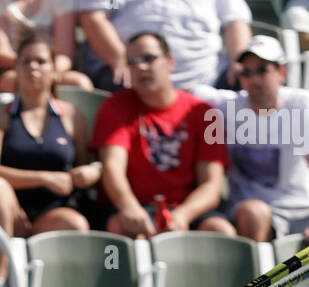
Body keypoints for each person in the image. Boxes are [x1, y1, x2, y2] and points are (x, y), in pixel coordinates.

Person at [0, 35, 101, 287]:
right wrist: (45, 177)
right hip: (9, 211)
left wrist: (92, 171)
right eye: (26, 61)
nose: (33, 68)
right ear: (16, 68)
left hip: (51, 212)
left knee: (75, 224)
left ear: (53, 70)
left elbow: (81, 167)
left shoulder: (72, 116)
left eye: (41, 61)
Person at [194, 36, 309, 241]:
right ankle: (260, 272)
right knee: (254, 212)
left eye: (262, 70)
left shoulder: (302, 102)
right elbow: (177, 94)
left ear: (281, 72)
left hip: (306, 210)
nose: (254, 79)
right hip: (252, 213)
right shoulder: (224, 105)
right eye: (246, 72)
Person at [88, 31, 228, 238]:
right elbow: (112, 168)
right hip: (134, 207)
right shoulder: (115, 106)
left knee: (221, 230)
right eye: (132, 62)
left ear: (170, 61)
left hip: (185, 208)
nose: (140, 67)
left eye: (148, 58)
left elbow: (212, 185)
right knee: (125, 227)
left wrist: (183, 215)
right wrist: (130, 207)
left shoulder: (205, 114)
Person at [78, 0, 252, 92]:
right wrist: (120, 60)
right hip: (130, 77)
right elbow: (93, 17)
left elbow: (236, 21)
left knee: (250, 82)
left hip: (206, 80)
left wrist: (238, 60)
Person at [0, 0, 93, 92]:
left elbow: (65, 54)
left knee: (80, 83)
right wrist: (32, 66)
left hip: (50, 69)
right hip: (7, 70)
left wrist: (48, 71)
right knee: (10, 82)